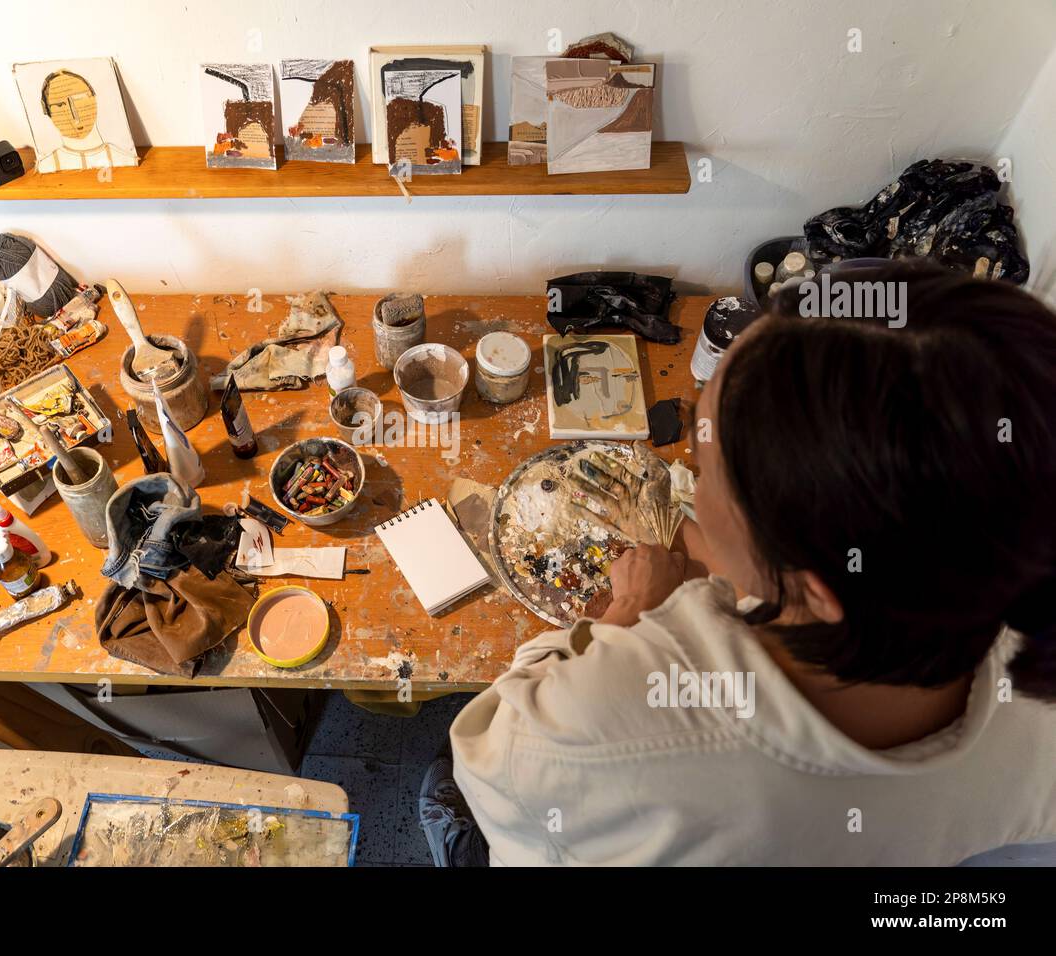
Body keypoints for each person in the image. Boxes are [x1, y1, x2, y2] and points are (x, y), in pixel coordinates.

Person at [425, 262, 1056, 865]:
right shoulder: (1012, 629)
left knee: (441, 788)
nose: (691, 494)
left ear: (811, 588)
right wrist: (707, 545)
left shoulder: (605, 722)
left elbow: (490, 756)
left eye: (705, 474)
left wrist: (629, 613)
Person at [36, 70, 136, 173]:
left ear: (94, 99)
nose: (75, 117)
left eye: (80, 99)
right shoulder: (47, 164)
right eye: (60, 105)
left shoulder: (123, 158)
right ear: (47, 111)